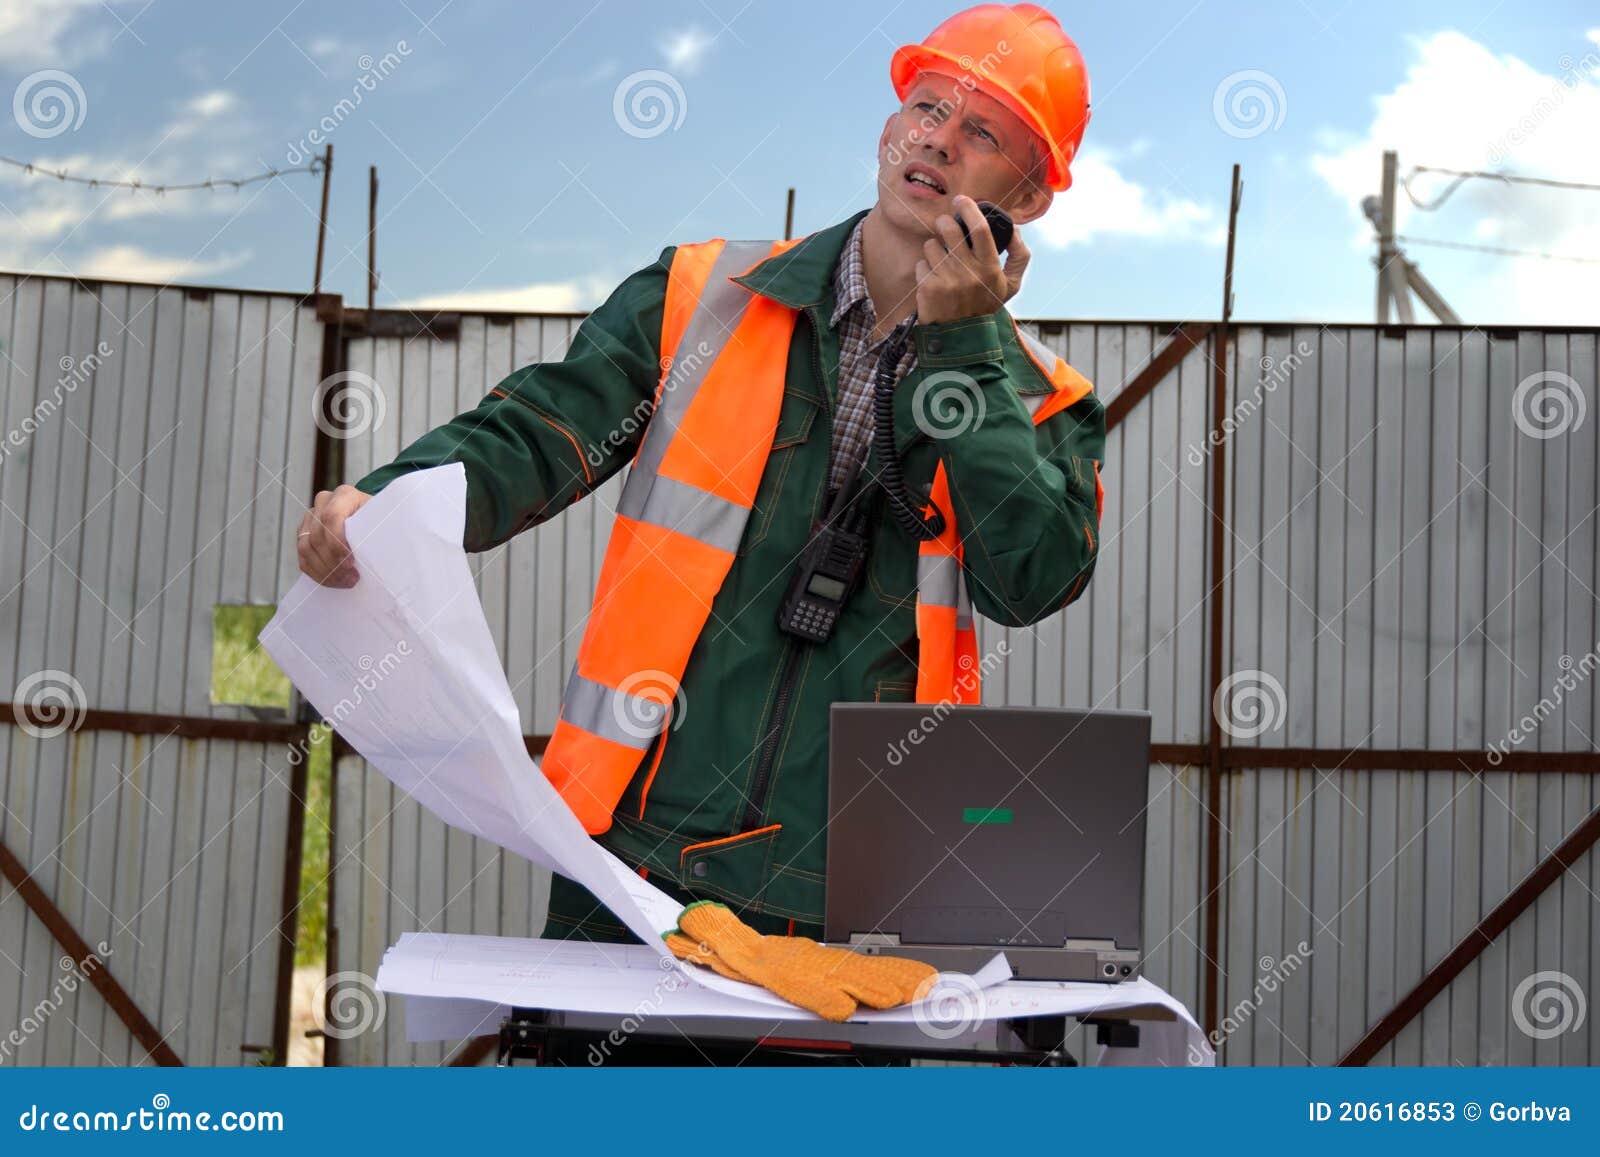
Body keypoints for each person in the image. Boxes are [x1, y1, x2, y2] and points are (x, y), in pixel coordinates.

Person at [295, 3, 1105, 949]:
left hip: (852, 894)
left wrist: (965, 349)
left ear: (1031, 196)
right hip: (633, 857)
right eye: (929, 106)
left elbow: (1032, 580)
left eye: (984, 132)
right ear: (890, 126)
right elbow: (538, 428)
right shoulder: (703, 296)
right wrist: (388, 505)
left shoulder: (1041, 401)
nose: (939, 141)